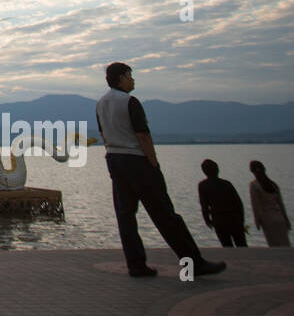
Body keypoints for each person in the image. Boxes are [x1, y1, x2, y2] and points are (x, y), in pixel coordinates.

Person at [95, 63, 225, 278]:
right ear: (120, 78)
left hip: (114, 159)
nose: (133, 80)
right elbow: (143, 135)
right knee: (164, 214)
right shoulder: (130, 102)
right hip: (137, 160)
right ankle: (193, 262)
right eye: (130, 76)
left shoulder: (100, 104)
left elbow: (103, 134)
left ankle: (136, 264)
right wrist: (153, 164)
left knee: (125, 216)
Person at [198, 159, 247, 247]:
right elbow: (238, 203)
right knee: (242, 244)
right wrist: (241, 218)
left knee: (227, 245)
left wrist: (207, 220)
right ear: (217, 170)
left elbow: (204, 205)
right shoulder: (226, 184)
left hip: (219, 220)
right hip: (234, 218)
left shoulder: (203, 185)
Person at [249, 161, 292, 246]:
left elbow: (255, 205)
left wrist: (257, 221)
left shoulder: (254, 185)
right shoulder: (273, 184)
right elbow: (281, 204)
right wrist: (286, 219)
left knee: (273, 244)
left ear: (252, 171)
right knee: (285, 243)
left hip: (268, 218)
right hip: (280, 217)